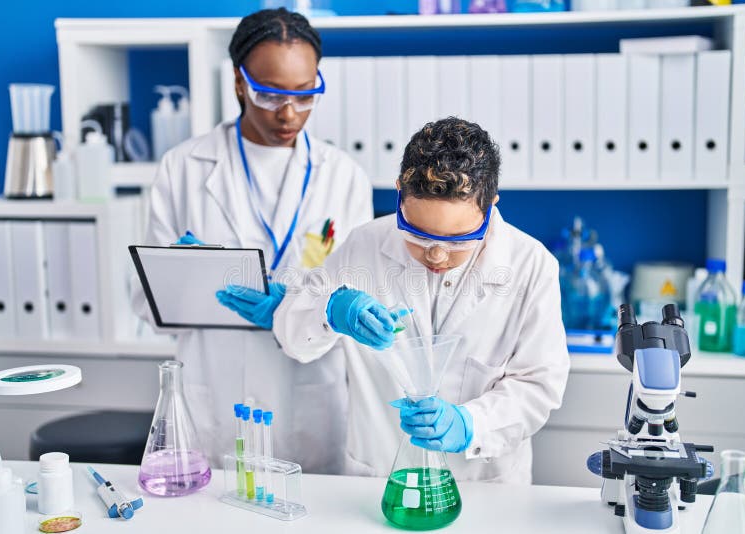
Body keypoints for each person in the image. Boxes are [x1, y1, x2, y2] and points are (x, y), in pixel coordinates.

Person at [131, 8, 373, 473]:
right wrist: (181, 279)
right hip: (215, 392)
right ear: (239, 82)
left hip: (308, 395)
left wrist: (299, 306)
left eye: (305, 96)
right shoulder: (183, 167)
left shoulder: (343, 176)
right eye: (270, 94)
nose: (289, 113)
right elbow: (146, 302)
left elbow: (350, 293)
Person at [272, 117, 569, 482]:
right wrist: (331, 309)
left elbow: (538, 386)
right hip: (378, 479)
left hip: (484, 484)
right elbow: (292, 333)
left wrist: (469, 423)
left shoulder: (530, 266)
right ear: (400, 193)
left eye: (459, 240)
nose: (437, 256)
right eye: (418, 235)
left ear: (490, 205)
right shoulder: (364, 245)